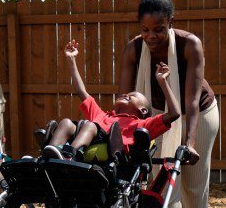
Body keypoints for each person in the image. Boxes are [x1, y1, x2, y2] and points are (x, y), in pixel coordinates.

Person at [117, 0, 220, 208]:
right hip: (158, 117)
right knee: (165, 183)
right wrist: (123, 137)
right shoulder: (133, 50)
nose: (151, 36)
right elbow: (124, 102)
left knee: (194, 186)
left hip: (198, 113)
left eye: (159, 29)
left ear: (171, 23)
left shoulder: (190, 45)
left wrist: (188, 143)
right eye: (145, 30)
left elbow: (188, 102)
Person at [40, 39, 180, 160]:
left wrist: (162, 81)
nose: (126, 95)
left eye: (131, 96)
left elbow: (174, 114)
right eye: (126, 94)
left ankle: (69, 156)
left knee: (90, 125)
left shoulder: (143, 124)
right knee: (66, 123)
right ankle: (48, 155)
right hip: (89, 138)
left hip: (113, 150)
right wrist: (71, 60)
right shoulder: (102, 115)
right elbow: (82, 92)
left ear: (143, 110)